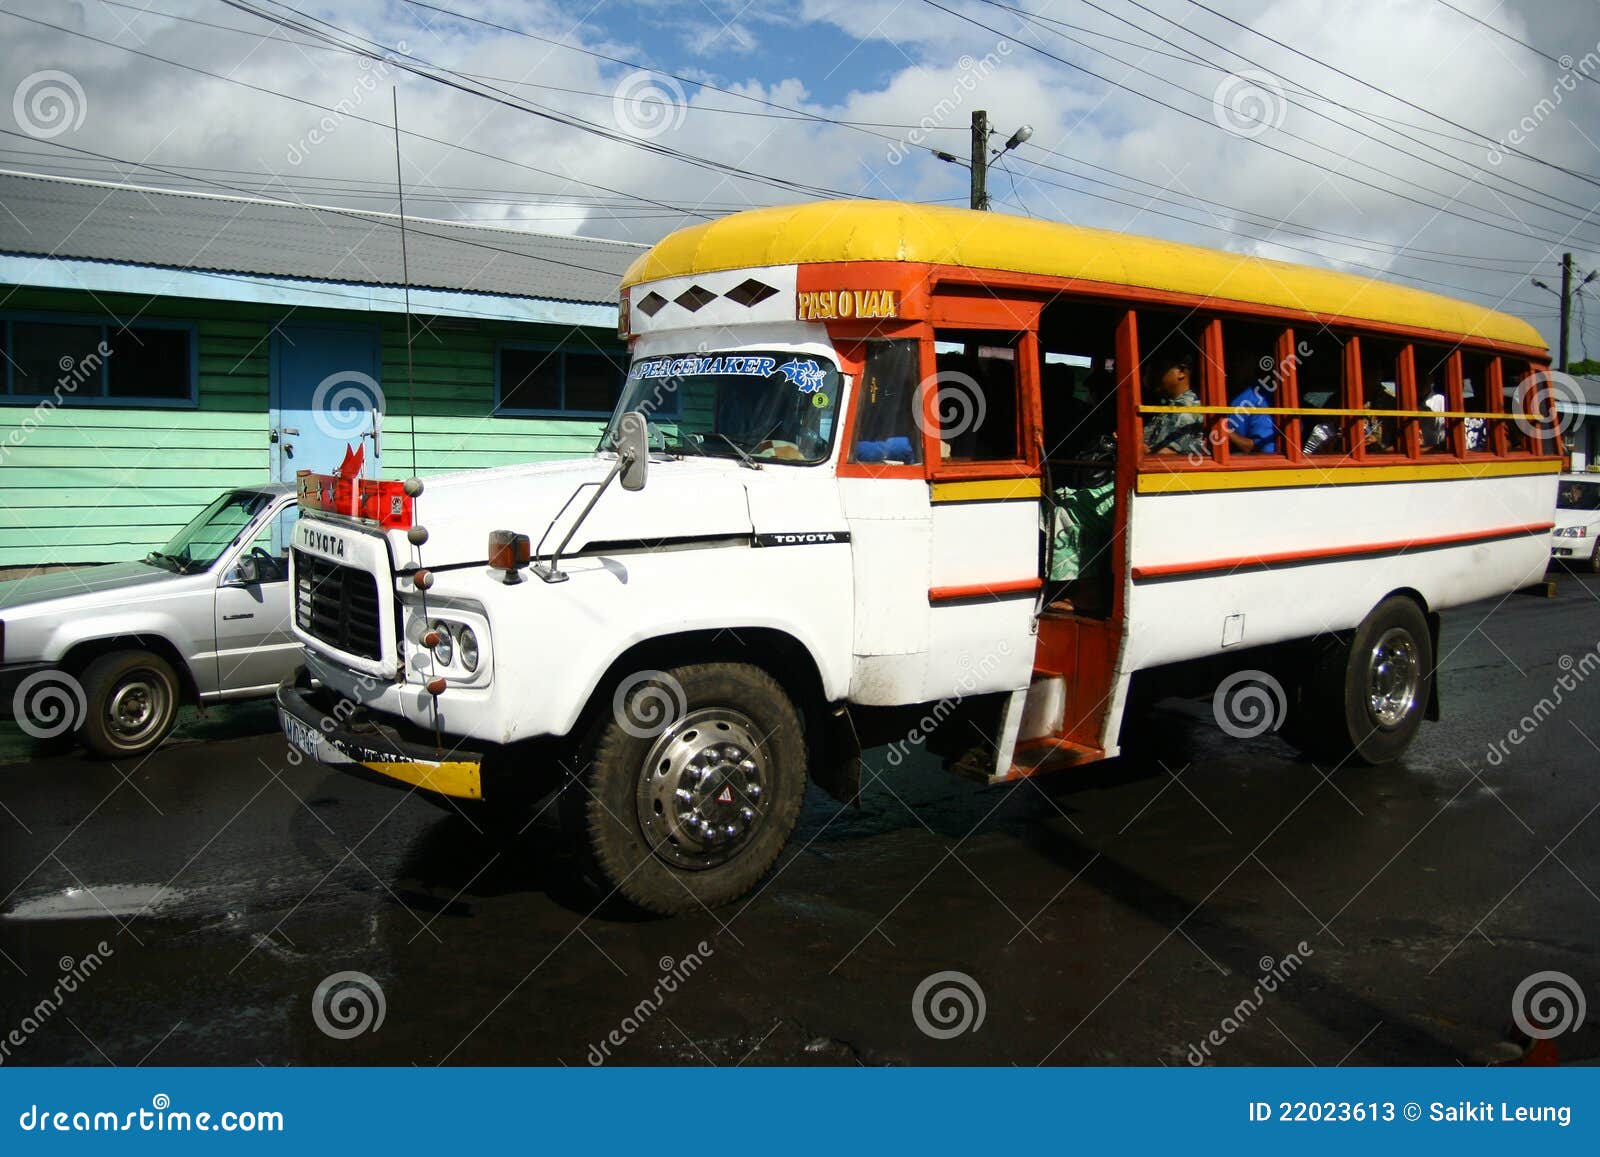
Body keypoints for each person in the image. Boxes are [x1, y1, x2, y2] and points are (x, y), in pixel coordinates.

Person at [1142, 353, 1204, 456]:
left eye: (1158, 369)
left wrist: (1137, 449)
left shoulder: (1188, 409)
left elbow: (1171, 456)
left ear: (1181, 372)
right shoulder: (1168, 405)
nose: (1154, 376)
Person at [1221, 373, 1278, 453]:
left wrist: (1223, 430)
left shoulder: (1257, 397)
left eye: (1239, 362)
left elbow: (1261, 448)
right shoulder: (1224, 392)